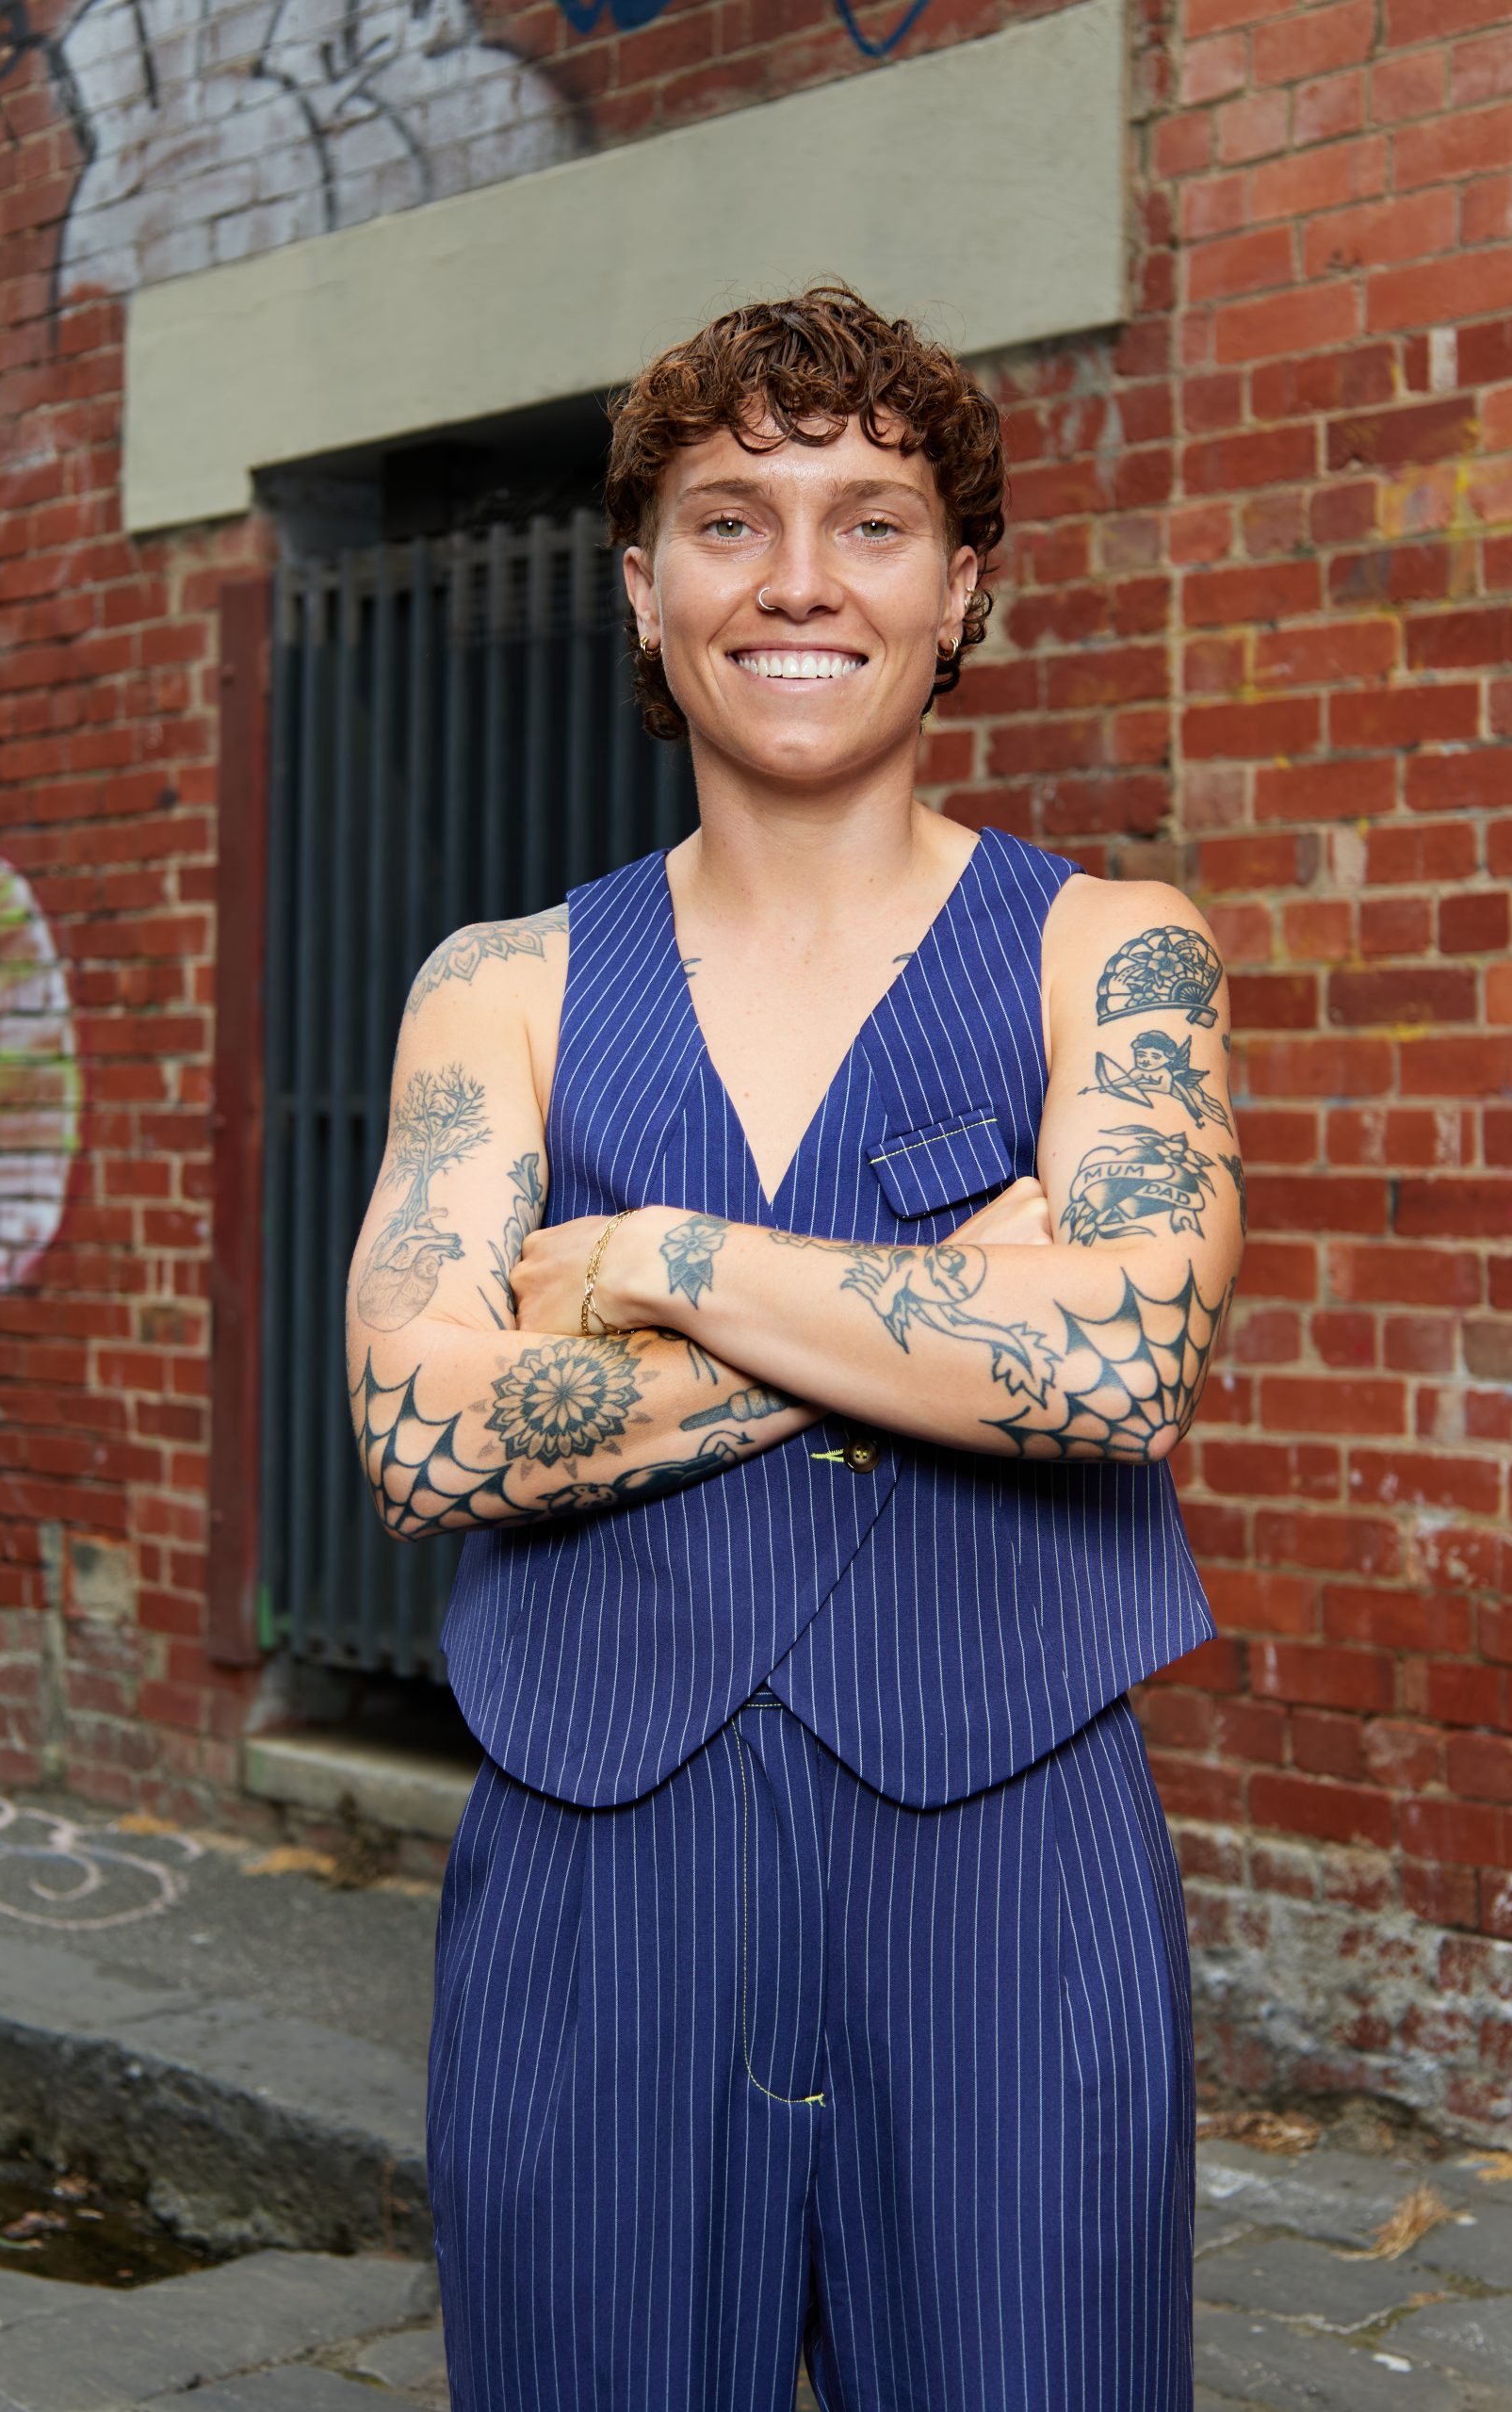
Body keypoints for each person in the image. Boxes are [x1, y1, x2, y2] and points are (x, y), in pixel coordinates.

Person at [345, 284, 1244, 2411]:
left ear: (963, 591)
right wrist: (947, 1301)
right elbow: (419, 1426)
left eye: (873, 520)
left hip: (1007, 1877)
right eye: (732, 520)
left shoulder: (1111, 951)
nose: (801, 579)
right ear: (640, 584)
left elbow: (1121, 1364)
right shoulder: (504, 984)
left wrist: (653, 1259)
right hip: (596, 1876)